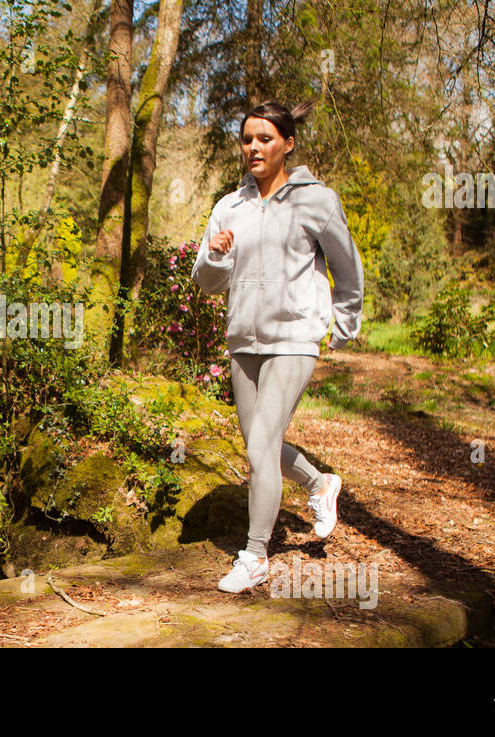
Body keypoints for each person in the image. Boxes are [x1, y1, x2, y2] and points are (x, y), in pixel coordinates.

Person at [190, 99, 365, 593]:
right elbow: (204, 282)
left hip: (294, 337)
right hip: (243, 338)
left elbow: (348, 267)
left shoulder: (317, 201)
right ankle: (319, 483)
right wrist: (218, 257)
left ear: (288, 143)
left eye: (264, 138)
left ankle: (255, 555)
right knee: (257, 445)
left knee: (261, 445)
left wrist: (342, 322)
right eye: (247, 139)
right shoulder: (230, 206)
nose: (253, 148)